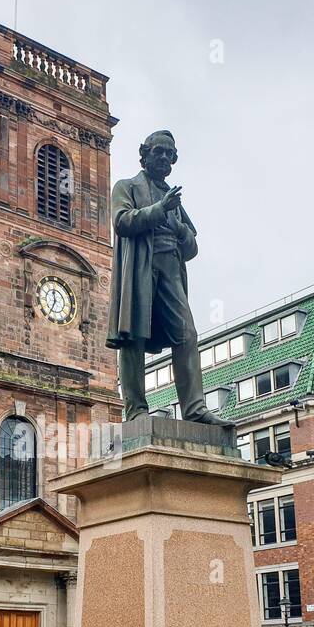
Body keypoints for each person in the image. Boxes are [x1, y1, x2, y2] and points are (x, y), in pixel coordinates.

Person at [107, 130, 231, 426]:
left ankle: (194, 409)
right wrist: (159, 209)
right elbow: (122, 221)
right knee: (133, 336)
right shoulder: (127, 187)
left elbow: (192, 248)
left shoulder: (174, 198)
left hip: (171, 270)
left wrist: (181, 231)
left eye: (169, 153)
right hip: (140, 268)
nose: (164, 157)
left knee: (187, 334)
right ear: (145, 155)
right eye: (158, 151)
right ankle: (136, 408)